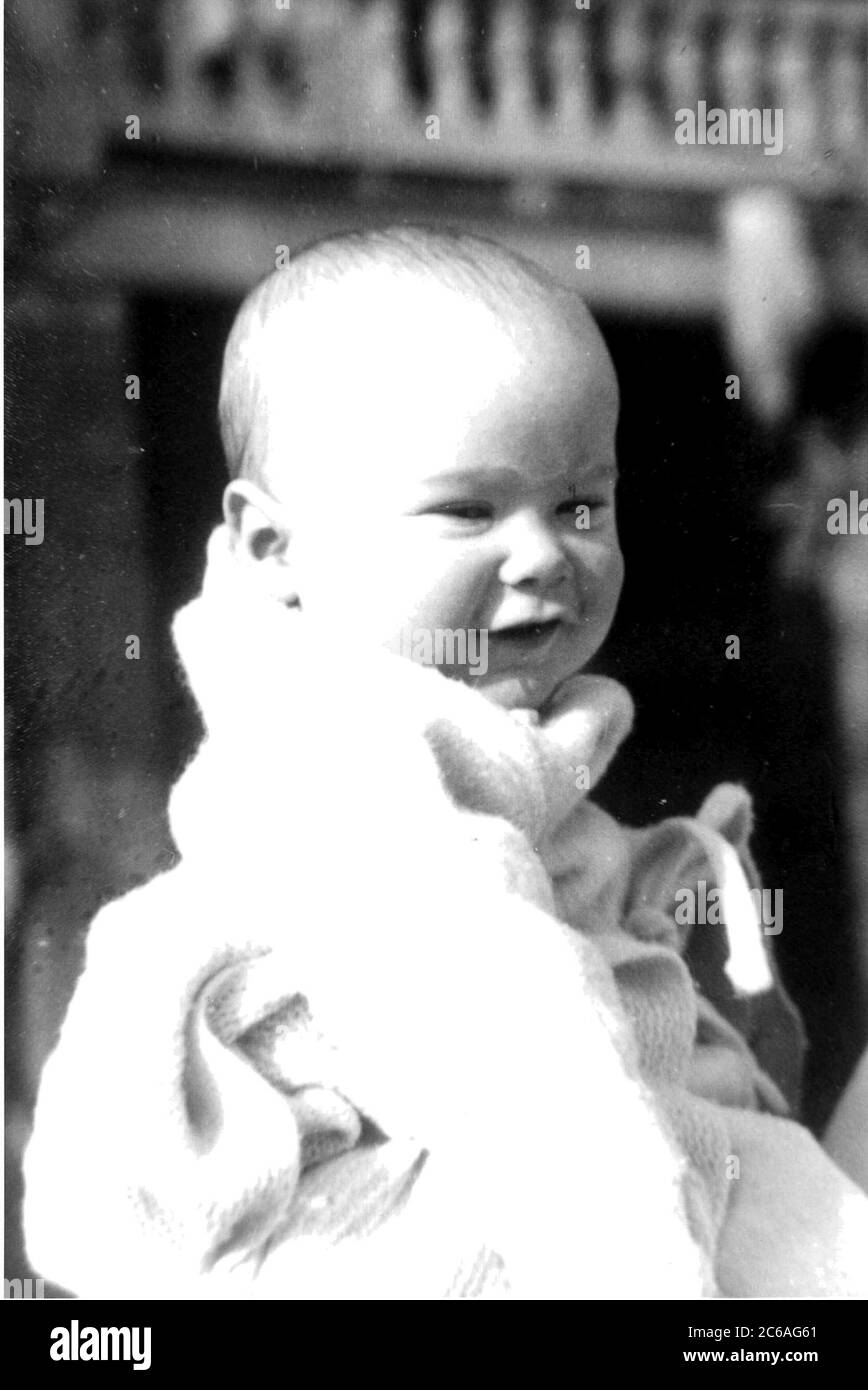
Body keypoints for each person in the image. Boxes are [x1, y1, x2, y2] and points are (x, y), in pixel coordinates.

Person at [23, 227, 868, 1298]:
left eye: (579, 505)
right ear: (277, 550)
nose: (544, 553)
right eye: (468, 508)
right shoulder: (339, 762)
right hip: (429, 1224)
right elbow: (513, 1045)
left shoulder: (482, 747)